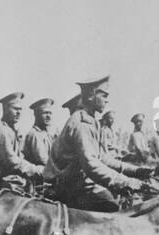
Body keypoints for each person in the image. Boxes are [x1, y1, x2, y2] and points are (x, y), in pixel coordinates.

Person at [44, 76, 150, 212]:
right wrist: (124, 182)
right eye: (104, 95)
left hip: (78, 183)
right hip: (68, 188)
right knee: (112, 207)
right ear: (89, 96)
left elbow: (103, 158)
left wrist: (135, 171)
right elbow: (91, 164)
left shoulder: (92, 121)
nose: (107, 100)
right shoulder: (82, 124)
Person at [0, 92, 43, 186]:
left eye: (20, 109)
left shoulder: (11, 130)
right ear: (5, 109)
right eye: (15, 109)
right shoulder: (2, 131)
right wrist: (36, 169)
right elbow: (10, 161)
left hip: (10, 177)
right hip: (0, 179)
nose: (18, 113)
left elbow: (19, 158)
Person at [22, 98, 54, 168]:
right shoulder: (34, 134)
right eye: (45, 113)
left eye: (50, 113)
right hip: (39, 175)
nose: (48, 116)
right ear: (36, 114)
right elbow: (43, 160)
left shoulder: (46, 134)